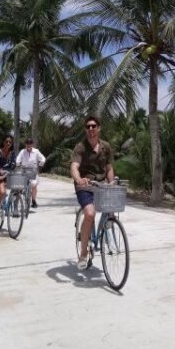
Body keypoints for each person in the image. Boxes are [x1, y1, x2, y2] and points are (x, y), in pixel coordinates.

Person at [70, 115, 114, 270]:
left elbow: (108, 168)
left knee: (112, 206)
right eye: (88, 126)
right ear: (85, 130)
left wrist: (112, 182)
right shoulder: (80, 147)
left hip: (100, 185)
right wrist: (79, 179)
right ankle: (83, 254)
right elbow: (74, 167)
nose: (91, 129)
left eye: (93, 126)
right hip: (85, 186)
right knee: (89, 213)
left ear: (99, 128)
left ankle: (107, 231)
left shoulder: (106, 147)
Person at [15, 138, 46, 208]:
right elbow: (18, 158)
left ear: (32, 144)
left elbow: (43, 158)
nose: (28, 145)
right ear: (25, 144)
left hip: (33, 170)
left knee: (34, 185)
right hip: (24, 170)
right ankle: (18, 198)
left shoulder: (36, 151)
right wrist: (18, 163)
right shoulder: (22, 151)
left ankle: (34, 200)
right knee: (19, 185)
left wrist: (41, 163)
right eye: (27, 143)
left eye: (30, 143)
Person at [0, 134, 16, 216]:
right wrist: (1, 172)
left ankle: (16, 208)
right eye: (6, 141)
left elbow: (13, 165)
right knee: (2, 192)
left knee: (19, 187)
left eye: (10, 142)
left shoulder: (12, 153)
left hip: (9, 175)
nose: (8, 143)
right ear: (3, 142)